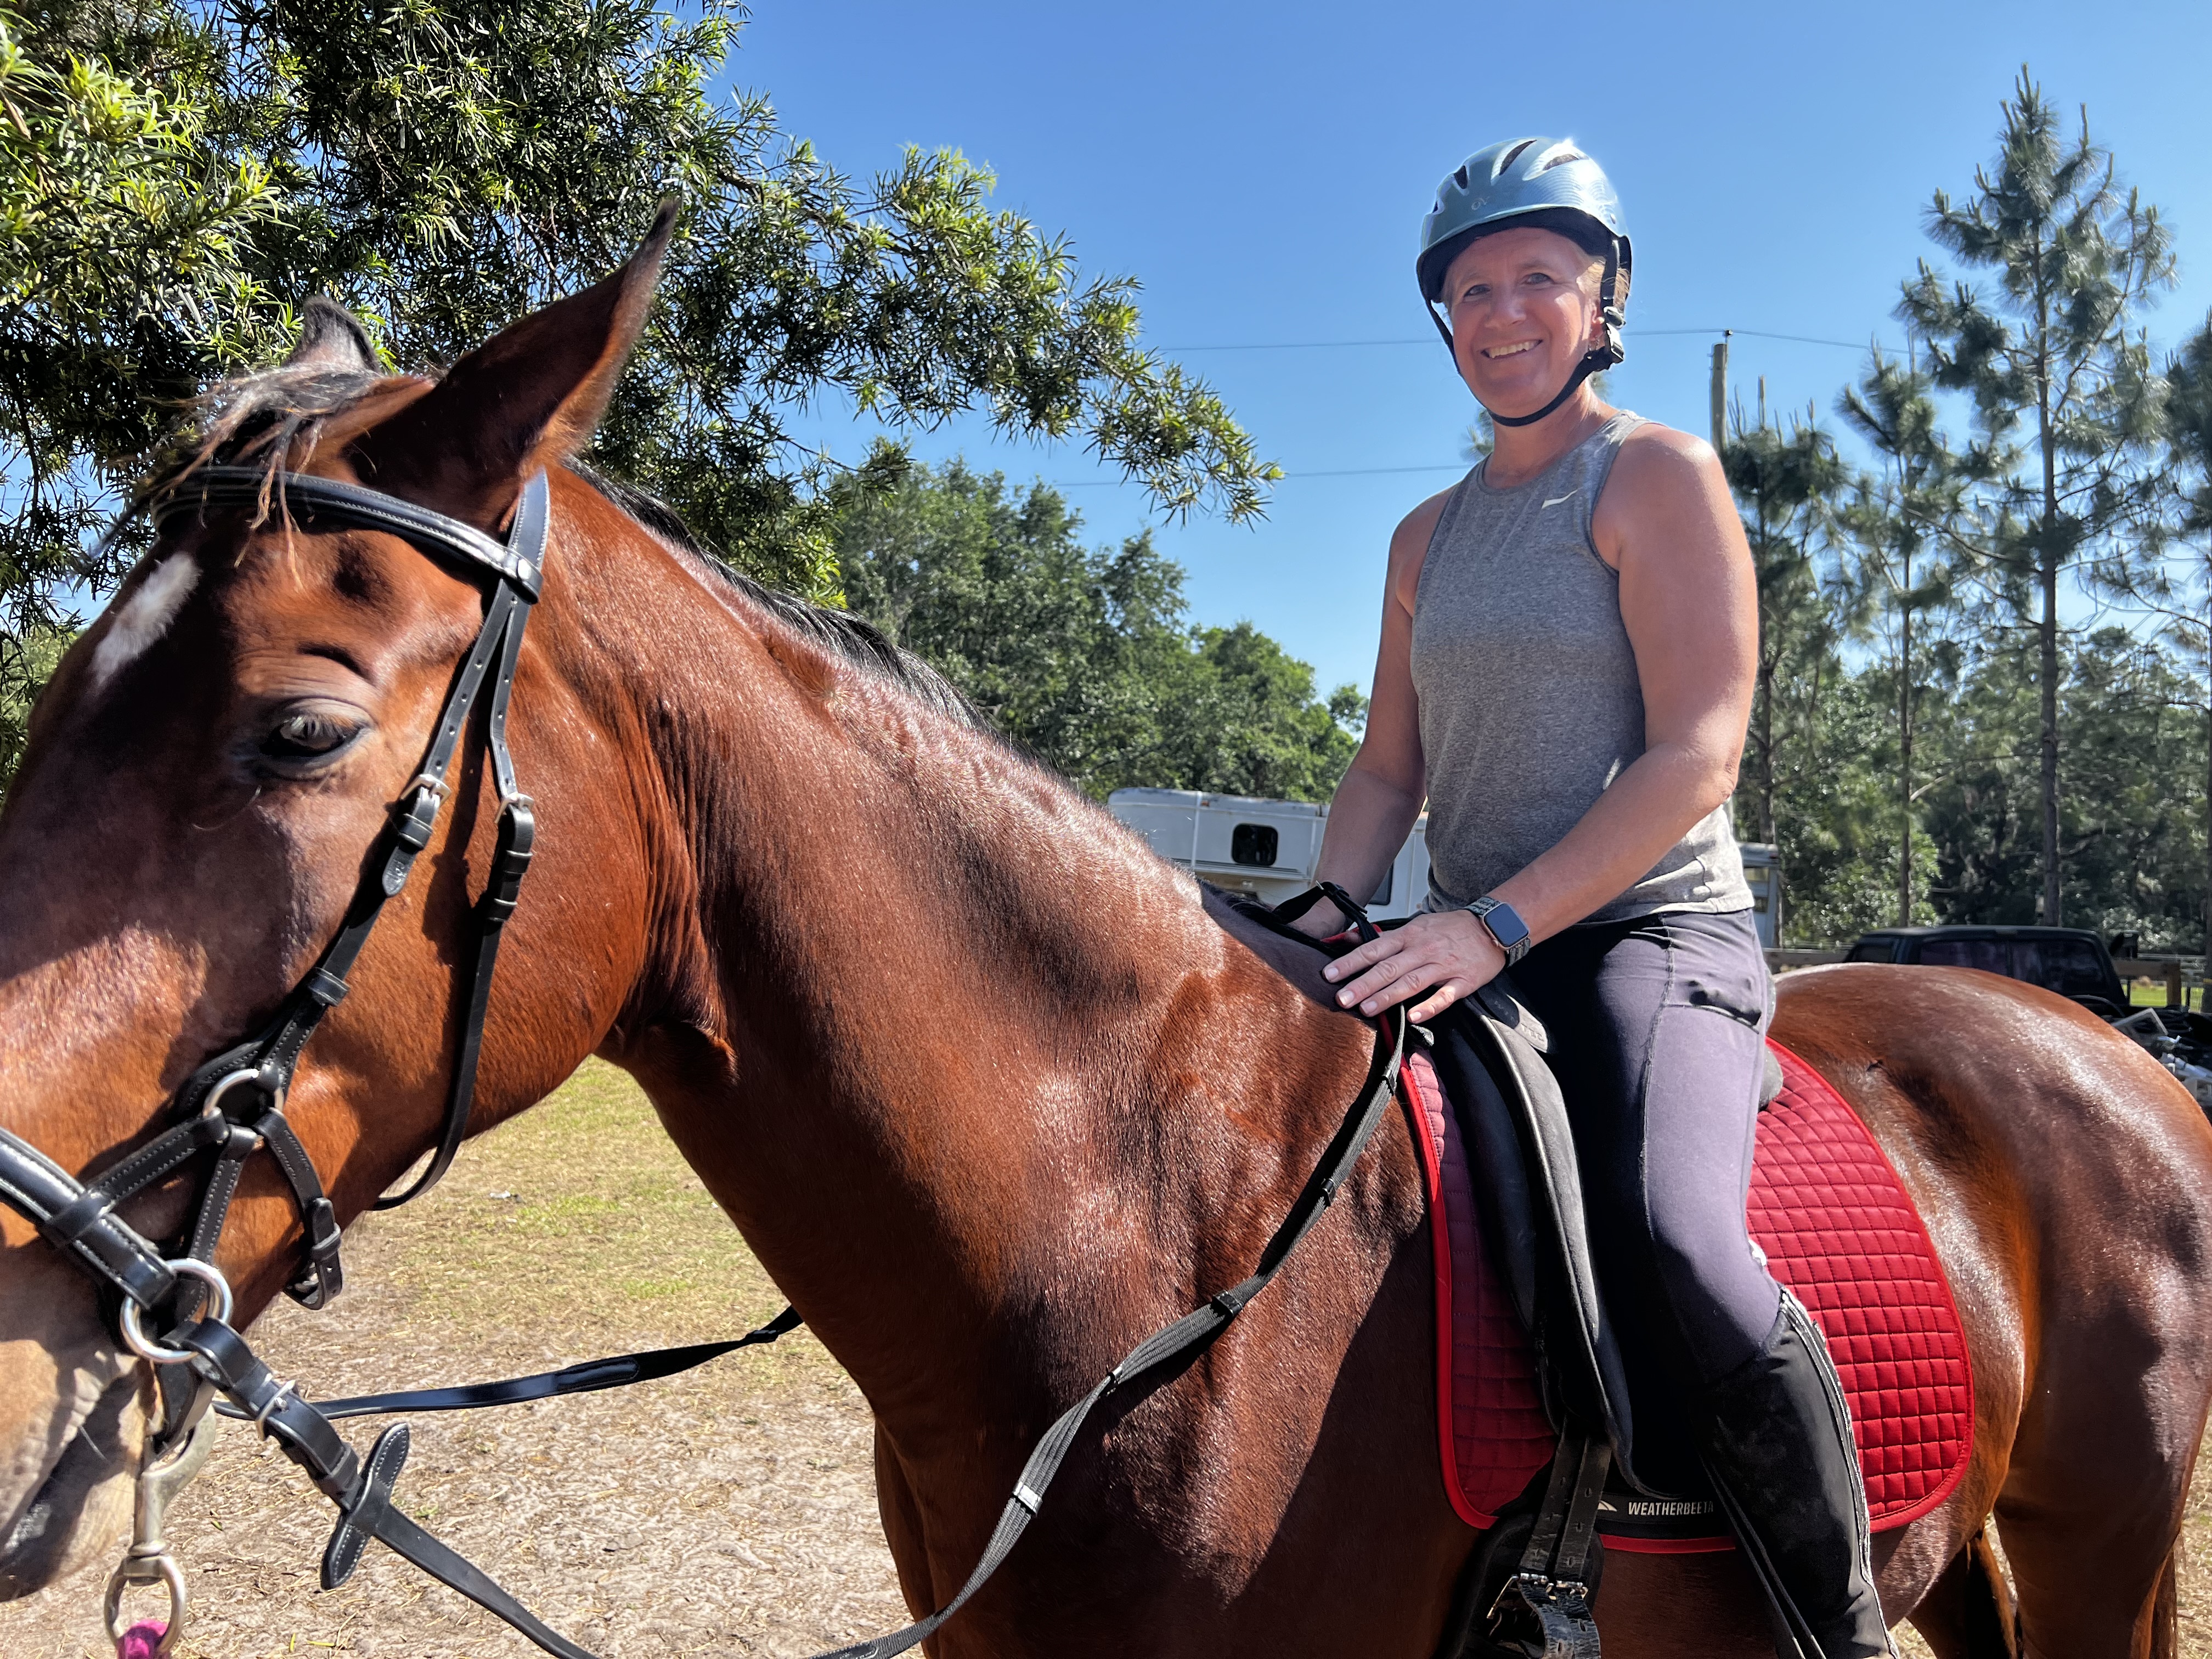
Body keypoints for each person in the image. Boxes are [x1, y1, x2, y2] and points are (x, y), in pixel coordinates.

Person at [1287, 137, 1892, 1659]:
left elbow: (1699, 752)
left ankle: (1844, 1629)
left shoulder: (1654, 476)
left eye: (1538, 278)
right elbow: (1381, 774)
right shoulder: (1424, 538)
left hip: (1646, 934)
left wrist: (1493, 920)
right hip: (1464, 941)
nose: (1504, 310)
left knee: (1671, 1233)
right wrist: (1323, 910)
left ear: (1604, 298)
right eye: (1472, 287)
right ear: (1444, 320)